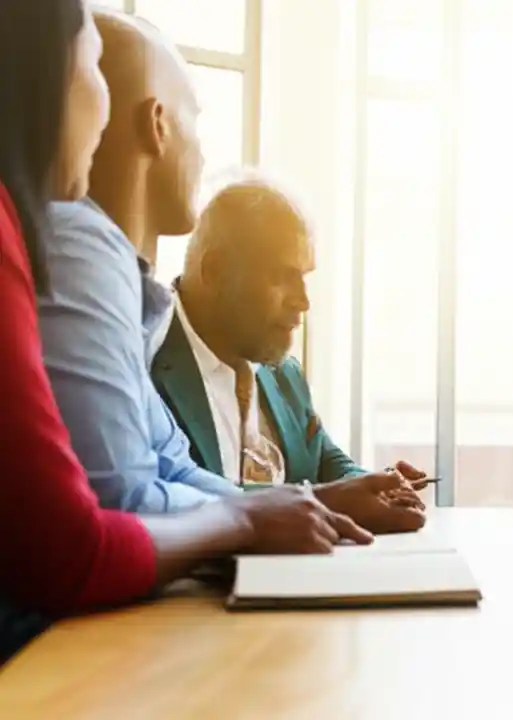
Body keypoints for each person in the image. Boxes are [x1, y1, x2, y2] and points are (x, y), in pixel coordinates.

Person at [0, 0, 372, 663]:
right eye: (90, 71)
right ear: (159, 123)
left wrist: (292, 508)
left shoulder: (99, 263)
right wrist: (245, 519)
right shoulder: (74, 242)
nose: (102, 104)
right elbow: (106, 515)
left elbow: (167, 465)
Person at [41, 11, 422, 528]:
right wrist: (257, 521)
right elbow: (124, 502)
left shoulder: (146, 316)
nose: (303, 302)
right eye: (195, 120)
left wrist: (358, 491)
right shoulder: (90, 271)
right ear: (157, 124)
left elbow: (173, 474)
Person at [151, 178, 427, 533]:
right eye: (283, 276)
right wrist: (325, 499)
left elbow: (326, 462)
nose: (303, 301)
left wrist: (379, 487)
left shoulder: (283, 372)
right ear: (215, 270)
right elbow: (170, 496)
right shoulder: (144, 359)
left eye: (305, 277)